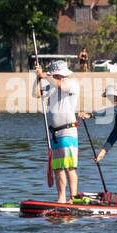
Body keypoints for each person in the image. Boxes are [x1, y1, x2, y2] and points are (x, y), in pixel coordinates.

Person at [36, 58, 81, 202]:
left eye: (55, 75)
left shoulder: (71, 84)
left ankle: (73, 197)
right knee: (58, 168)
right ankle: (61, 197)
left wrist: (45, 76)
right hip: (55, 133)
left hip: (68, 132)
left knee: (69, 166)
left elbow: (61, 86)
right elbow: (36, 94)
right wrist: (37, 78)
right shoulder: (52, 86)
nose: (54, 77)